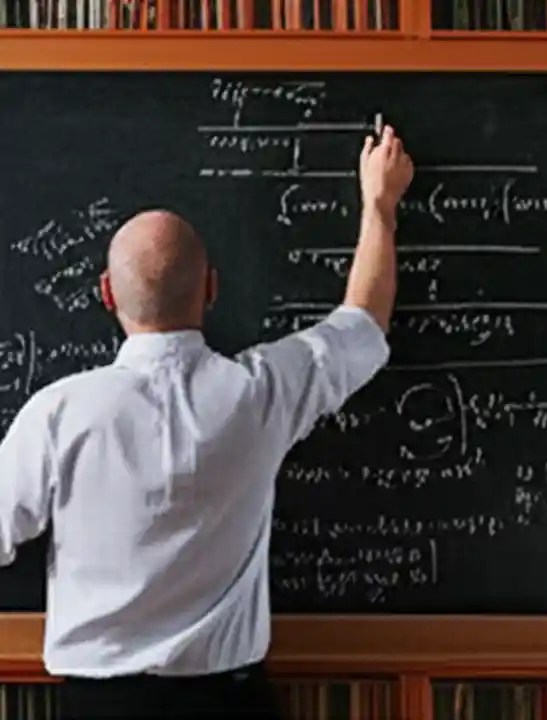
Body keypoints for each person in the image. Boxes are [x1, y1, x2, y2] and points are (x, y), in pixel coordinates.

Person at [0, 125, 414, 719]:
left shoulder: (59, 415)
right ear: (212, 288)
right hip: (230, 703)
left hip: (99, 706)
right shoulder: (261, 393)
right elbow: (363, 324)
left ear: (107, 294)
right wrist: (380, 206)